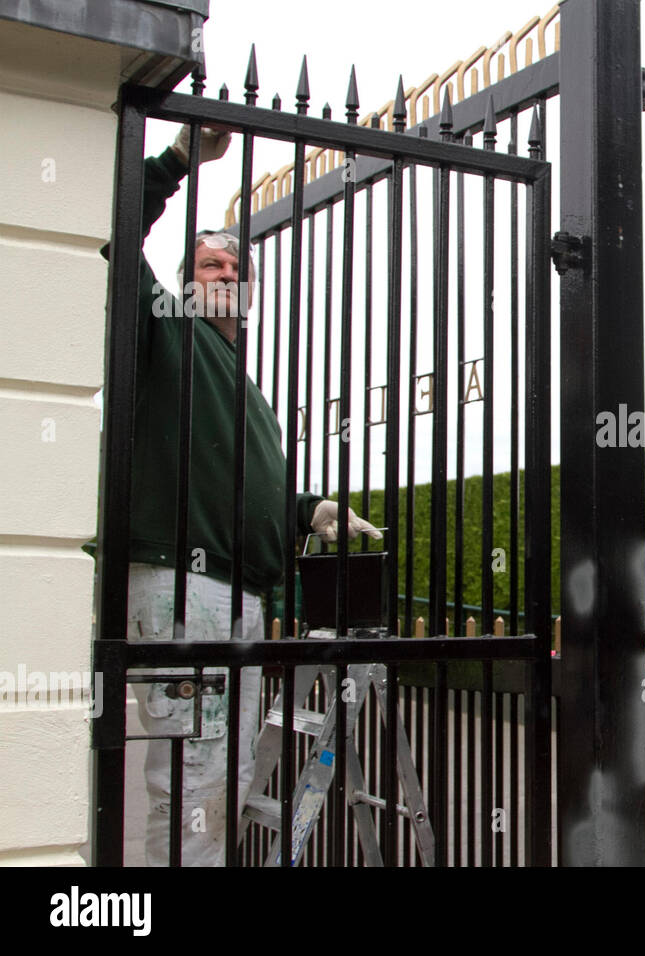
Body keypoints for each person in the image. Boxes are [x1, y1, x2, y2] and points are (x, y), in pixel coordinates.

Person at [111, 125, 379, 865]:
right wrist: (177, 161)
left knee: (223, 770)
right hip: (184, 583)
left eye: (235, 266)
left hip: (240, 592)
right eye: (209, 264)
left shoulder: (244, 381)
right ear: (186, 281)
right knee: (194, 773)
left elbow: (242, 484)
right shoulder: (166, 335)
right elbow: (118, 229)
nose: (225, 272)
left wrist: (308, 509)